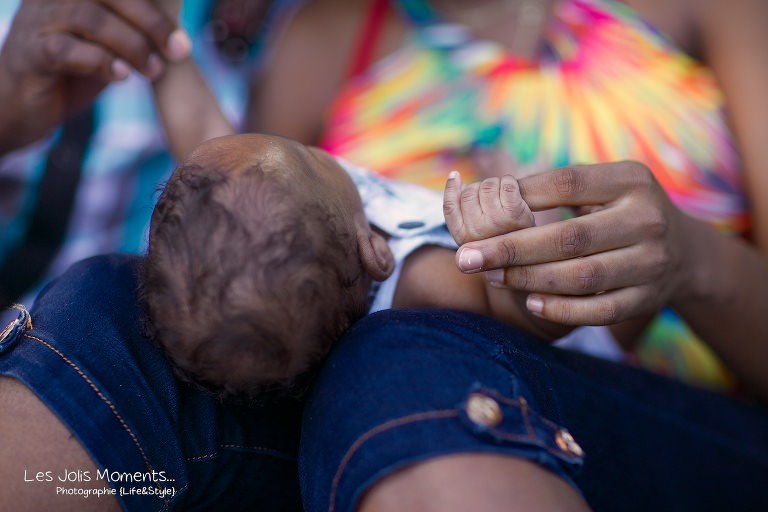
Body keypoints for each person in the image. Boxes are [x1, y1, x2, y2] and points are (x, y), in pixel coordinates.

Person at [251, 0, 768, 389]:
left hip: (696, 428)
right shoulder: (318, 45)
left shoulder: (710, 9)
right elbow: (239, 280)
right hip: (429, 400)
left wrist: (691, 259)